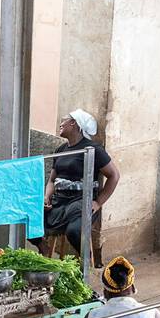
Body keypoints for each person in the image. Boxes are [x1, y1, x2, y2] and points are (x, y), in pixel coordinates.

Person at [43, 109, 120, 261]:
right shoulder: (61, 150)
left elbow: (114, 176)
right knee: (31, 218)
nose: (60, 124)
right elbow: (52, 180)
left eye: (63, 121)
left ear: (74, 123)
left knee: (74, 231)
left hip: (81, 203)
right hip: (60, 202)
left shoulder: (92, 149)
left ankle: (86, 262)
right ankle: (42, 248)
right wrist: (47, 197)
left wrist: (98, 202)